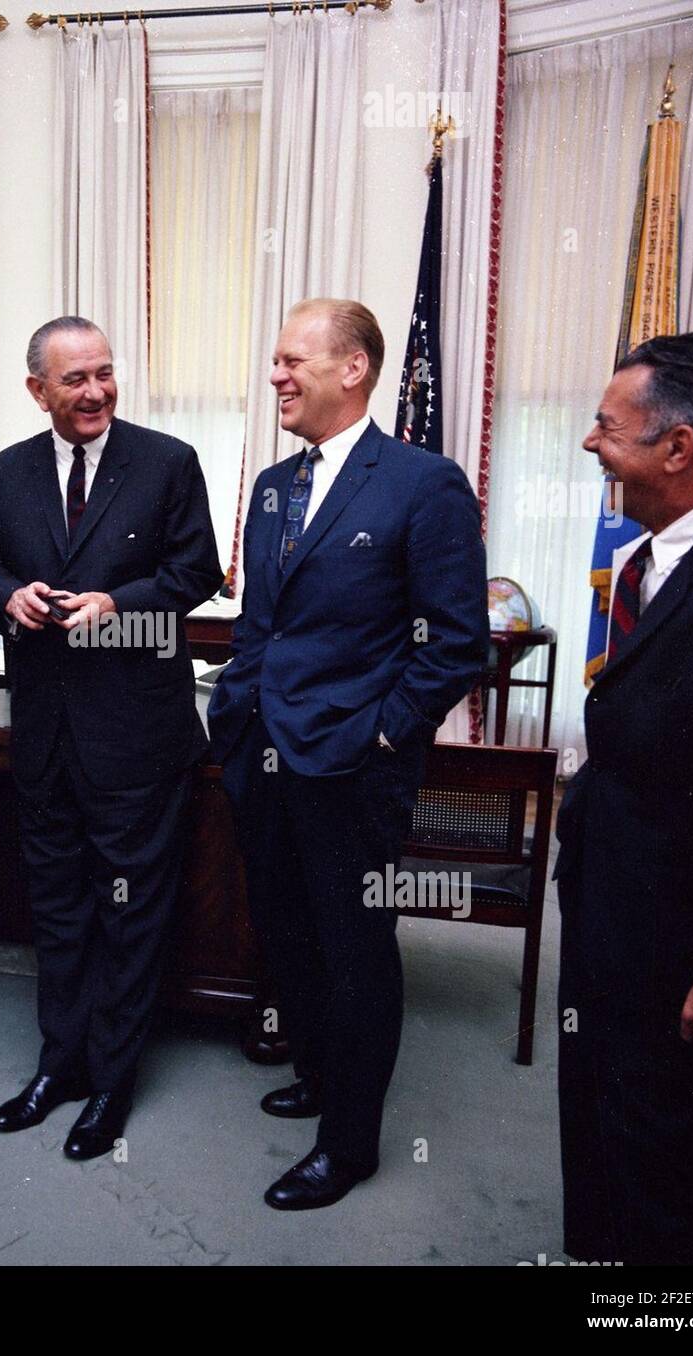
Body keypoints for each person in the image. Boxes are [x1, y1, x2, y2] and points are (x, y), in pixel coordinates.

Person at [208, 298, 488, 1210]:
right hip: (266, 757)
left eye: (293, 360)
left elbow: (455, 643)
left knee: (355, 948)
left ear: (354, 369)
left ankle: (351, 1143)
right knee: (286, 936)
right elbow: (261, 623)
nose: (277, 375)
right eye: (276, 360)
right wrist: (238, 718)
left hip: (352, 770)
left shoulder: (422, 483)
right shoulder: (275, 486)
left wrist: (380, 730)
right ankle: (323, 1080)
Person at [0, 316, 223, 1160]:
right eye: (74, 380)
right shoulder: (4, 474)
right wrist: (8, 596)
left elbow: (197, 573)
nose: (95, 393)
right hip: (44, 735)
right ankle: (60, 1065)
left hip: (137, 740)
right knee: (58, 911)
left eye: (105, 375)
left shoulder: (166, 463)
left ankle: (111, 1083)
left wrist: (118, 604)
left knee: (130, 915)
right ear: (37, 390)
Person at [556, 331, 693, 1266]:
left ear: (677, 447)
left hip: (688, 954)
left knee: (656, 1168)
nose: (591, 443)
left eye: (608, 426)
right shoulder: (654, 557)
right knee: (596, 1134)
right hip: (609, 919)